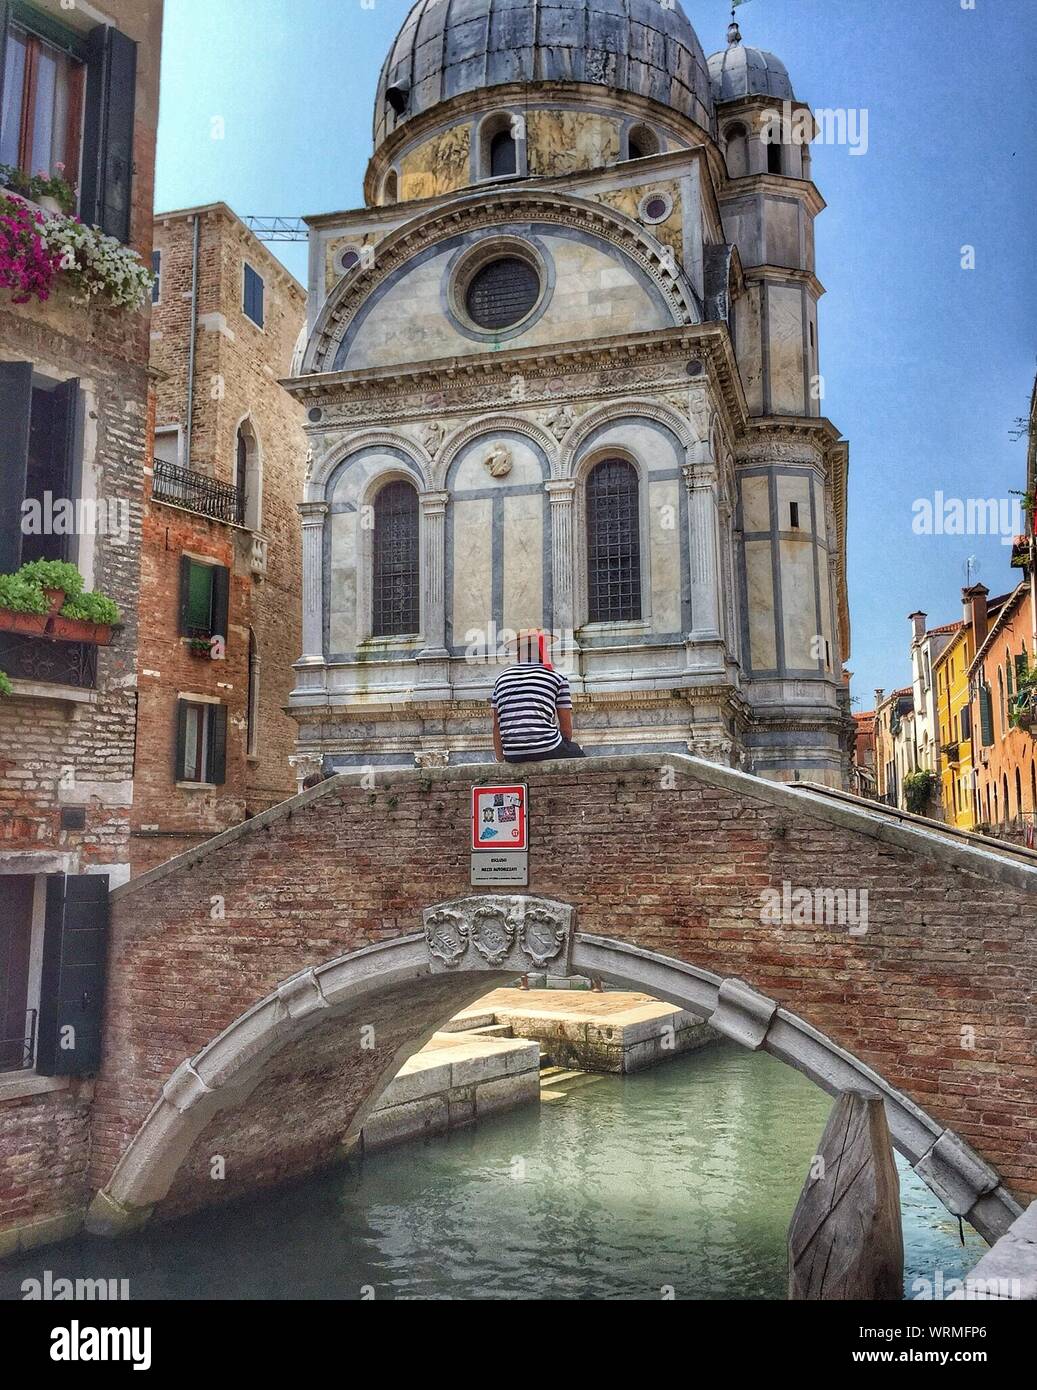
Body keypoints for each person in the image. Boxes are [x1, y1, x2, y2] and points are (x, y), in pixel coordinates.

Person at [490, 629, 586, 764]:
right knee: (576, 752)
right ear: (542, 651)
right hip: (547, 748)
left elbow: (496, 725)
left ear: (519, 653)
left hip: (512, 753)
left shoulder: (501, 679)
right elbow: (566, 729)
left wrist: (500, 759)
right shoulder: (557, 678)